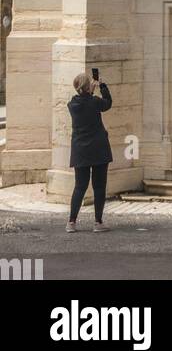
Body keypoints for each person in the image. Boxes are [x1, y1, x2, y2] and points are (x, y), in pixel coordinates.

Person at [65, 72, 113, 233]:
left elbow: (85, 102)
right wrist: (102, 86)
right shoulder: (94, 102)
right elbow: (108, 103)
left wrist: (90, 91)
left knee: (80, 186)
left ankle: (71, 222)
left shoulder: (72, 105)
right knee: (99, 186)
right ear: (88, 87)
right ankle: (98, 222)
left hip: (80, 150)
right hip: (98, 148)